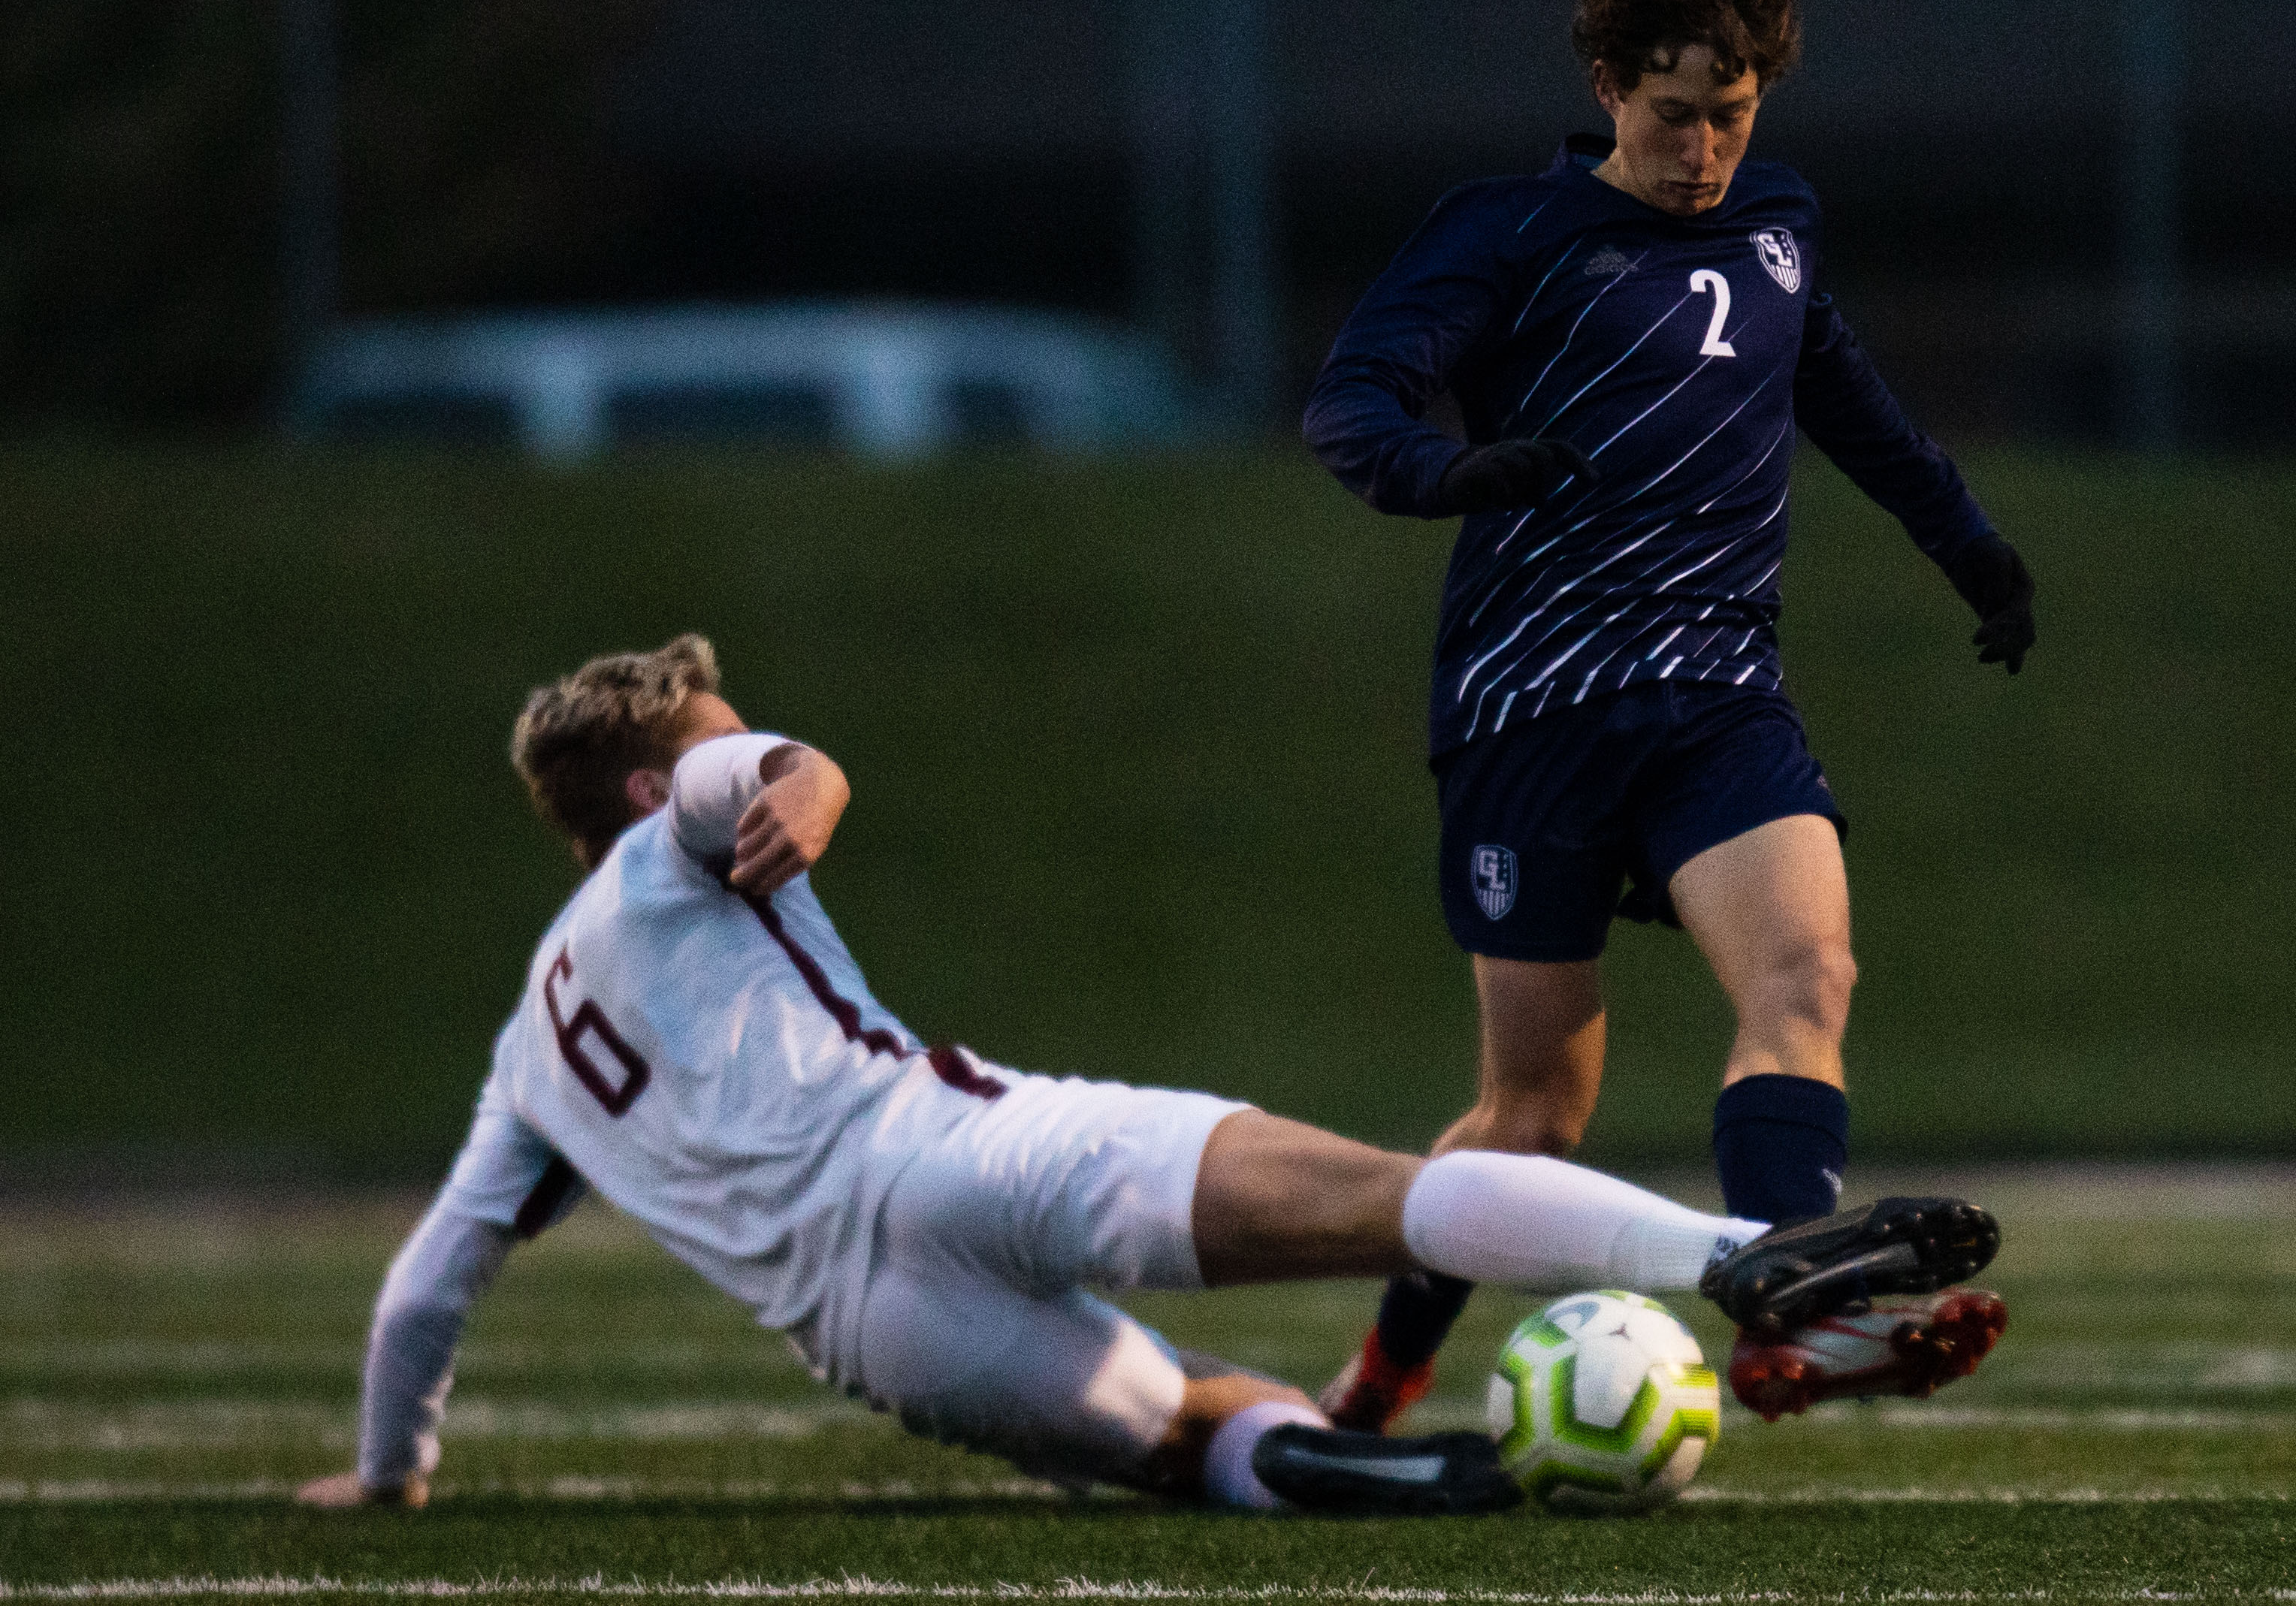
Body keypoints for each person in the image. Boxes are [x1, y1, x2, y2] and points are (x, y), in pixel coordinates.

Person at [295, 635, 2000, 1516]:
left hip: (875, 1331)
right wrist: (802, 785)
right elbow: (769, 766)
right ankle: (1731, 1257)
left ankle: (1385, 1462)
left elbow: (429, 1282)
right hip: (957, 1147)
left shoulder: (531, 1042)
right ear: (653, 767)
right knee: (1379, 1197)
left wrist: (393, 1467)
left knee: (1190, 1437)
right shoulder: (686, 821)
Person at [1299, 0, 2035, 1432]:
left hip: (1716, 698)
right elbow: (1350, 403)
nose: (1705, 148)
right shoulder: (1509, 231)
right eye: (1675, 113)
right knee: (1534, 1115)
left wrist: (1970, 545)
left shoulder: (1777, 226)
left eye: (1734, 115)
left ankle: (1788, 1313)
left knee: (1807, 971)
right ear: (1606, 83)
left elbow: (1851, 404)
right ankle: (1385, 1365)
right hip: (1534, 707)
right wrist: (1456, 472)